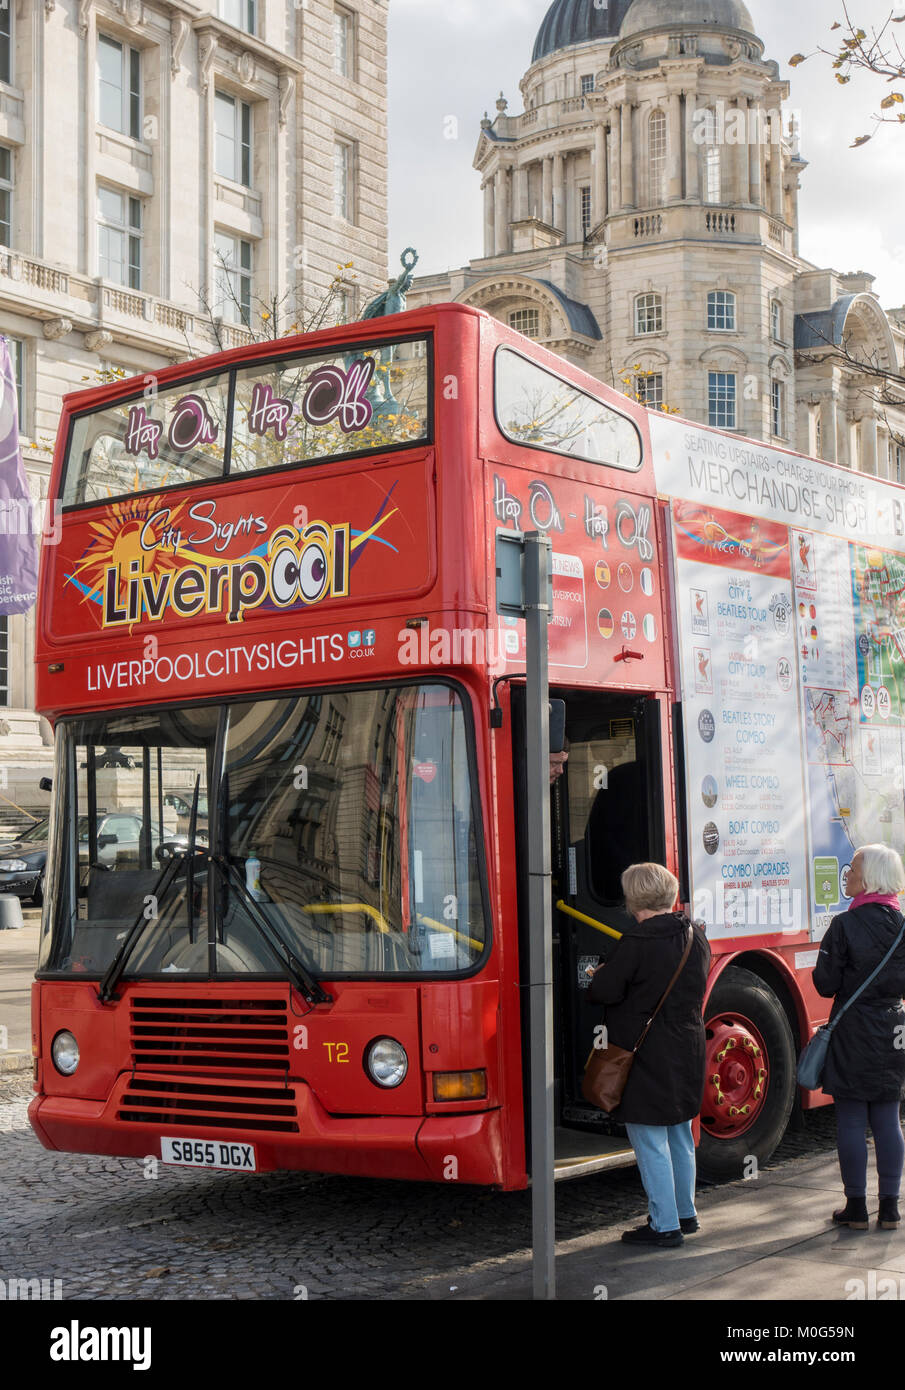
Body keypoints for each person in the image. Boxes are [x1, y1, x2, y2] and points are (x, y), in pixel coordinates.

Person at [587, 862, 711, 1248]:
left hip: (646, 1052)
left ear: (632, 898)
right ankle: (685, 1213)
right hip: (687, 1045)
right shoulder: (695, 935)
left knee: (649, 1138)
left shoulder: (637, 942)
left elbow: (604, 992)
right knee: (679, 1132)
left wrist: (599, 974)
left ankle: (664, 1225)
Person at [813, 843, 905, 1230]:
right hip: (894, 1028)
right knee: (888, 1117)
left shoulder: (844, 926)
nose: (846, 875)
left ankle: (855, 1208)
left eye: (852, 870)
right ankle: (890, 1208)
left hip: (853, 1029)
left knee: (851, 1117)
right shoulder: (902, 925)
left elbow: (824, 984)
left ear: (867, 879)